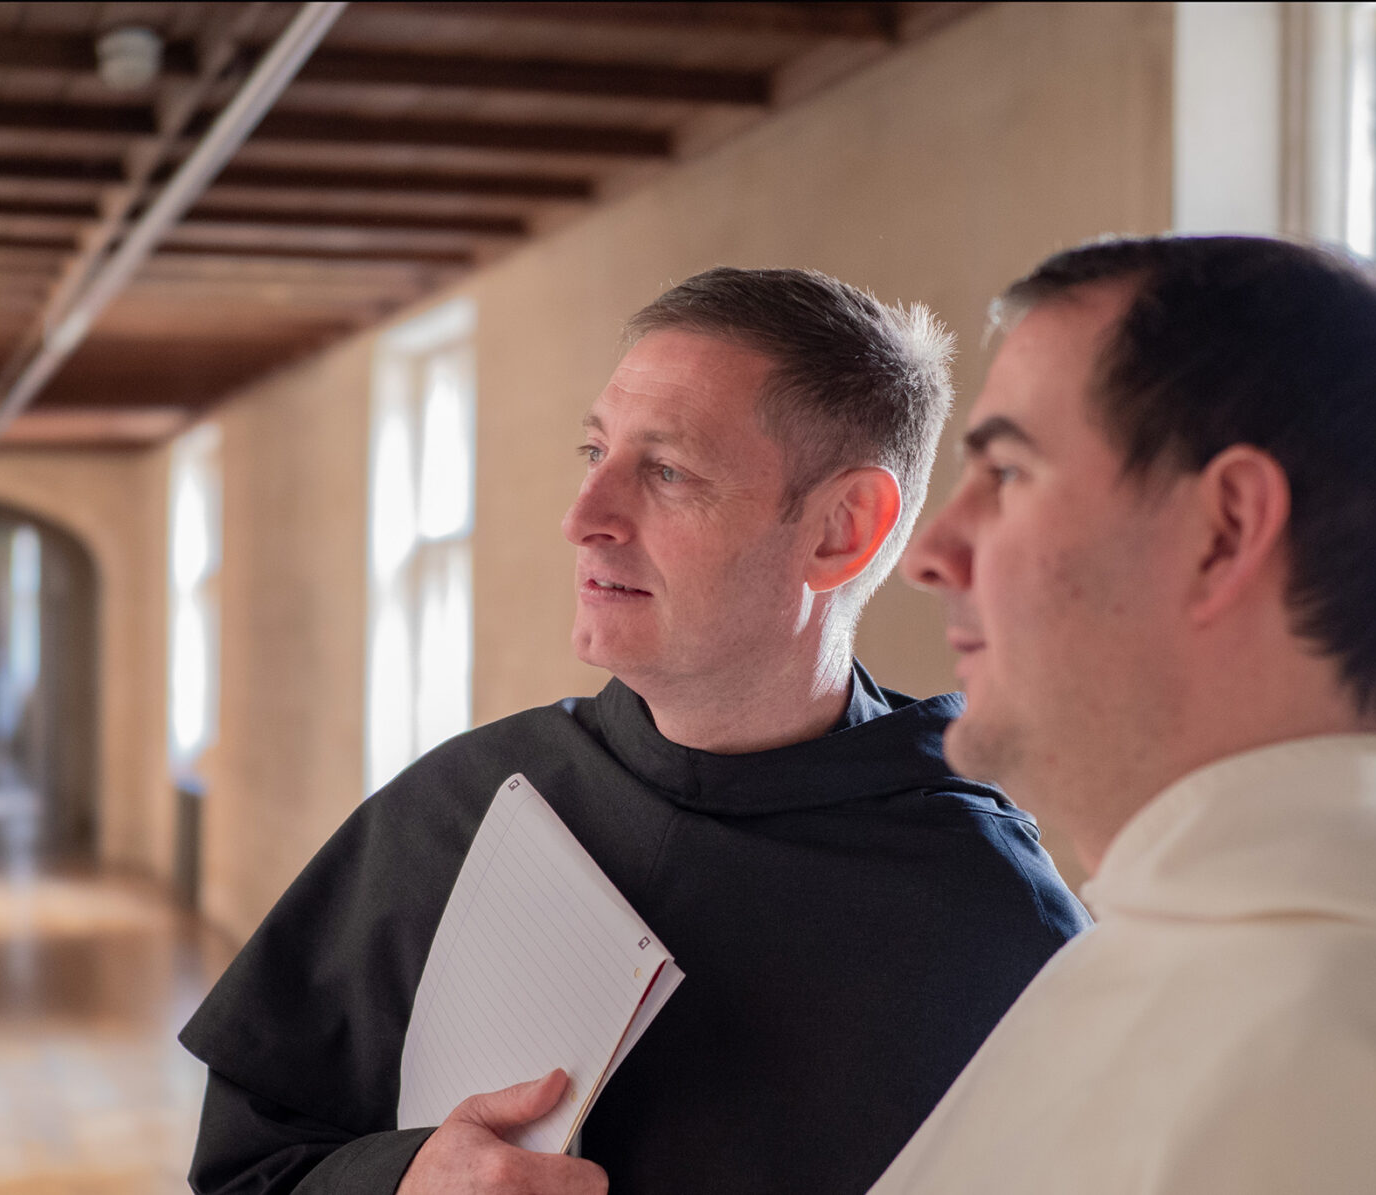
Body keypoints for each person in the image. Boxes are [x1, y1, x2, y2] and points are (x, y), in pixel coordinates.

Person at [181, 266, 1089, 1195]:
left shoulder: (996, 920)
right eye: (594, 452)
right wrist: (402, 1182)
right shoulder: (455, 810)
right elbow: (246, 1169)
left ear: (841, 531)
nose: (584, 519)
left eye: (666, 471)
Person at [870, 235, 1376, 1195]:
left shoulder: (1336, 1070)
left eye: (1007, 474)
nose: (932, 550)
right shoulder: (1220, 954)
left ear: (1223, 532)